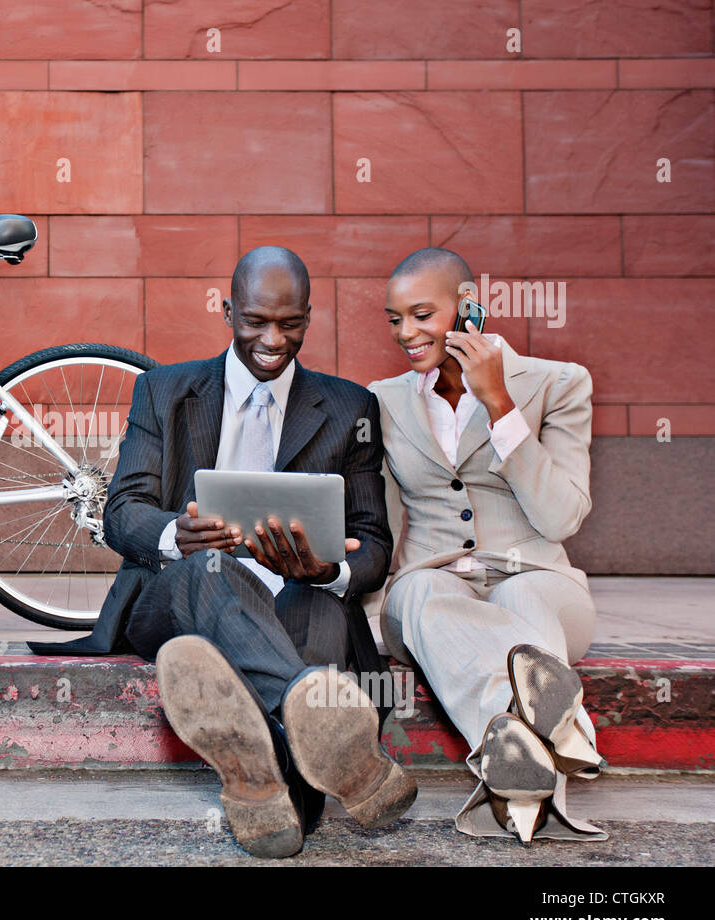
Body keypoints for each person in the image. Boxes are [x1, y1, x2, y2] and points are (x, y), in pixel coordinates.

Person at [30, 246, 416, 858]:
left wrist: (330, 570)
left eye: (290, 324)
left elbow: (373, 543)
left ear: (309, 318)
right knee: (210, 565)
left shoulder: (348, 409)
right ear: (227, 310)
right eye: (256, 321)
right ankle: (324, 734)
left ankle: (265, 788)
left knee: (318, 601)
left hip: (292, 597)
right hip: (183, 593)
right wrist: (173, 535)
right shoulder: (165, 391)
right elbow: (122, 511)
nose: (273, 339)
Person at [369, 247, 607, 843]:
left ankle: (518, 761)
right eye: (395, 319)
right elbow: (381, 521)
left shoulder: (558, 384)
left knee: (525, 596)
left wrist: (499, 402)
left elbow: (561, 517)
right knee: (421, 587)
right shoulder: (383, 401)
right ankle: (558, 727)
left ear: (469, 303)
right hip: (432, 585)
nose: (407, 333)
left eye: (423, 314)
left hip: (540, 578)